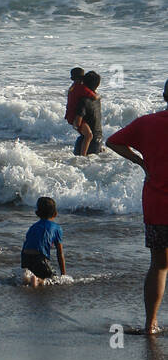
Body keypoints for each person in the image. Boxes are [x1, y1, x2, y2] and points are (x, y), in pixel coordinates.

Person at [107, 80, 168, 334]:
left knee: (159, 265)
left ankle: (150, 323)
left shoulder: (146, 123)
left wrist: (140, 161)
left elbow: (113, 141)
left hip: (157, 204)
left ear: (165, 95)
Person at [20, 197, 66, 286]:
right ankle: (38, 280)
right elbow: (60, 253)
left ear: (37, 213)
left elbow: (26, 245)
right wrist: (63, 274)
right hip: (40, 259)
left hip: (25, 258)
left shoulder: (32, 227)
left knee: (32, 275)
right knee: (54, 281)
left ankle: (29, 279)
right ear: (55, 213)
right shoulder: (57, 228)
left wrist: (23, 265)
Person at [72, 70, 103, 156]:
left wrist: (75, 124)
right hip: (99, 140)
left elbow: (77, 123)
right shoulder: (97, 98)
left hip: (86, 144)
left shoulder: (83, 100)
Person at [65, 67, 95, 150]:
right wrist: (99, 96)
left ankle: (83, 151)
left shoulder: (72, 87)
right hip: (76, 117)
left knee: (85, 135)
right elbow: (94, 97)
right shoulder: (81, 88)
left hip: (69, 115)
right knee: (89, 135)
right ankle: (83, 156)